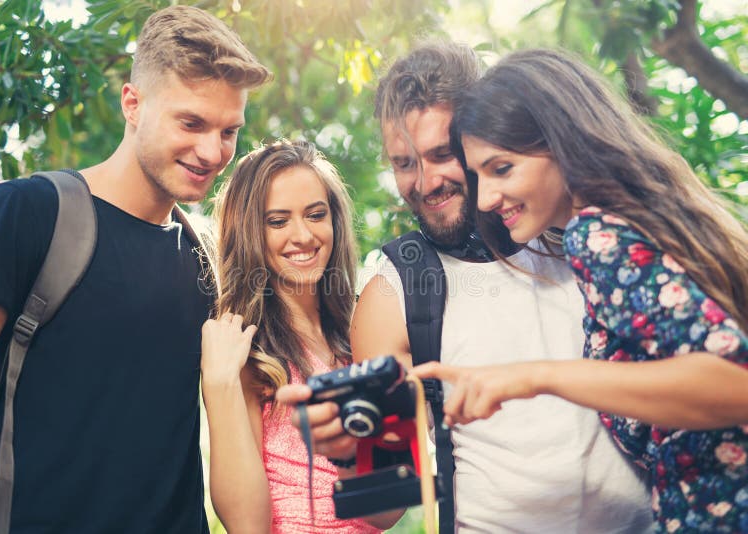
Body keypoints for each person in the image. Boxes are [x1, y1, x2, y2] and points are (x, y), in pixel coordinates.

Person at [278, 42, 653, 532]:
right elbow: (384, 509)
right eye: (405, 163)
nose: (425, 182)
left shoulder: (576, 230)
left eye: (442, 154)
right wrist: (351, 455)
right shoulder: (394, 294)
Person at [0, 6, 270, 533]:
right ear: (132, 104)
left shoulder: (208, 259)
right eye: (191, 123)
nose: (213, 151)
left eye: (229, 131)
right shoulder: (27, 213)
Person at [412, 47, 748, 533]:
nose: (484, 198)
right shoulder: (639, 219)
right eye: (477, 175)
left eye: (501, 168)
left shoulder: (597, 235)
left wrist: (535, 377)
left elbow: (735, 381)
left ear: (561, 140)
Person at [200, 139, 384, 533]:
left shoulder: (362, 332)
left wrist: (351, 452)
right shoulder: (245, 350)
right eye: (278, 222)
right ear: (250, 232)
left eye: (315, 215)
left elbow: (386, 513)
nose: (302, 236)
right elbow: (247, 526)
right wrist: (219, 382)